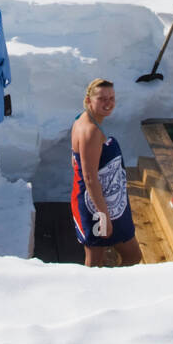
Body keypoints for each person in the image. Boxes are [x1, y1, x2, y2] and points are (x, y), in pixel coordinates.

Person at [69, 79, 142, 267]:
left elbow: (76, 160)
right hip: (98, 207)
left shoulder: (81, 119)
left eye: (112, 98)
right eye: (102, 98)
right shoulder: (91, 131)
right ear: (88, 100)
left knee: (101, 260)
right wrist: (103, 216)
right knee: (100, 261)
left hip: (104, 202)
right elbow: (90, 178)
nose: (108, 103)